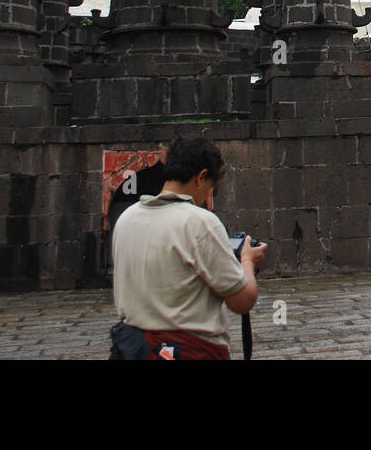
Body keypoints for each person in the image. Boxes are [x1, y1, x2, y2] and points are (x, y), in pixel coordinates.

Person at [112, 134, 268, 359]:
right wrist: (247, 261)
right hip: (188, 351)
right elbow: (242, 301)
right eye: (209, 186)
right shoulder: (200, 222)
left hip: (134, 349)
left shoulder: (127, 218)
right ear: (201, 177)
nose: (206, 195)